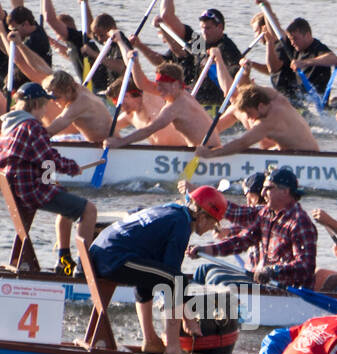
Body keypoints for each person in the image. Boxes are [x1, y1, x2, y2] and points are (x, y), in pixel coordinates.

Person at [87, 186, 226, 354]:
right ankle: (174, 349)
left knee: (152, 276)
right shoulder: (181, 225)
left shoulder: (171, 209)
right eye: (214, 223)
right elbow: (173, 278)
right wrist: (188, 318)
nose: (212, 229)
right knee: (177, 281)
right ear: (203, 216)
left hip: (100, 253)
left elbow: (161, 271)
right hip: (112, 258)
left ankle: (150, 340)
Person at [0, 82, 97, 277]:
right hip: (30, 191)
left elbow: (32, 160)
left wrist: (51, 178)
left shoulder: (9, 126)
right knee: (89, 210)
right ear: (37, 105)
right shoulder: (31, 126)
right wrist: (72, 168)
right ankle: (83, 267)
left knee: (63, 194)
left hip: (16, 188)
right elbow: (48, 157)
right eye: (45, 104)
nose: (46, 109)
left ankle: (63, 258)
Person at [188, 167, 316, 289]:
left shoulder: (300, 222)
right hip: (262, 280)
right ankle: (188, 308)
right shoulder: (266, 213)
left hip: (284, 289)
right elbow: (243, 240)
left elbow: (305, 267)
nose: (262, 193)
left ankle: (208, 308)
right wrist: (206, 249)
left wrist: (272, 271)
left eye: (268, 188)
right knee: (204, 270)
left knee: (217, 279)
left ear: (285, 191)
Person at [104, 62, 214, 148]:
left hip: (185, 151)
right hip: (164, 156)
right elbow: (105, 129)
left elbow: (140, 80)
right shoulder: (129, 116)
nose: (119, 107)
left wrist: (126, 48)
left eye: (117, 101)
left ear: (127, 95)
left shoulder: (152, 99)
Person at [197, 84, 320, 156]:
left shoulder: (268, 123)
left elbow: (242, 143)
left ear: (260, 106)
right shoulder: (278, 99)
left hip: (305, 157)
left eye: (250, 113)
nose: (249, 118)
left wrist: (211, 154)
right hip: (301, 152)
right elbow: (255, 90)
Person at [256, 8, 332, 103]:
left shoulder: (318, 47)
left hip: (315, 101)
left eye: (295, 39)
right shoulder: (295, 47)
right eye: (291, 39)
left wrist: (304, 63)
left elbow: (333, 59)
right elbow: (276, 31)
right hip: (298, 97)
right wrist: (265, 7)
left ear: (307, 35)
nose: (292, 43)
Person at [38, 69, 111, 141]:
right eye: (51, 97)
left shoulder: (80, 102)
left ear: (68, 90)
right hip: (95, 142)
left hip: (104, 145)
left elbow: (51, 131)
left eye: (56, 97)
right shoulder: (79, 89)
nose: (53, 101)